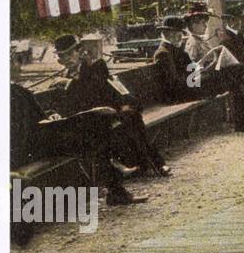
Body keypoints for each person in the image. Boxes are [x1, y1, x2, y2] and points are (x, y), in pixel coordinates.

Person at [10, 55, 145, 205]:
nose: (19, 65)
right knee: (92, 131)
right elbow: (18, 131)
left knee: (94, 129)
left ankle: (114, 189)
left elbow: (36, 117)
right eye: (14, 61)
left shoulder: (16, 89)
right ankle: (114, 186)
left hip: (37, 138)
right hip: (26, 148)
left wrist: (51, 116)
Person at [49, 34, 169, 176]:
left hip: (110, 109)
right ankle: (125, 166)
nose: (66, 59)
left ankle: (156, 163)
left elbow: (97, 89)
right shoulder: (64, 77)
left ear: (78, 52)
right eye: (62, 56)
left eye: (69, 54)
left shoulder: (96, 66)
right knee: (110, 126)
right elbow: (70, 104)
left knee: (131, 117)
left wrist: (69, 84)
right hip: (91, 117)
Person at [152, 15, 244, 132]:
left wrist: (206, 67)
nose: (181, 37)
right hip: (181, 93)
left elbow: (190, 70)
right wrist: (205, 73)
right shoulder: (163, 53)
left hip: (191, 86)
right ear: (169, 33)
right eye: (179, 33)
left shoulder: (174, 49)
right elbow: (174, 83)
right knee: (234, 75)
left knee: (235, 71)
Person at [183, 6, 244, 120]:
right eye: (202, 24)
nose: (206, 27)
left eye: (206, 23)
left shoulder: (202, 40)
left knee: (237, 77)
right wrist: (212, 65)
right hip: (201, 83)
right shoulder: (192, 43)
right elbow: (192, 72)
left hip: (209, 77)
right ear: (193, 25)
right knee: (238, 73)